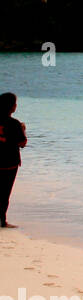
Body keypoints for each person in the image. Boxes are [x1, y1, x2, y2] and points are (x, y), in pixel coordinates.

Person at [0, 92, 27, 229]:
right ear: (12, 107)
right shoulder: (15, 123)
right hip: (9, 163)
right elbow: (22, 143)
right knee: (4, 193)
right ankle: (2, 221)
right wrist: (23, 129)